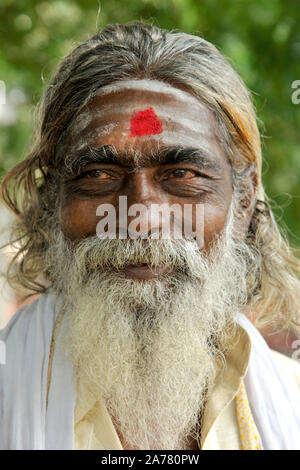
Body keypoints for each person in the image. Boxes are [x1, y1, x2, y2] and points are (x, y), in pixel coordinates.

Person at [0, 21, 300, 451]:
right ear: (51, 205)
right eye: (100, 174)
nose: (140, 217)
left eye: (182, 174)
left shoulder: (293, 402)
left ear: (244, 203)